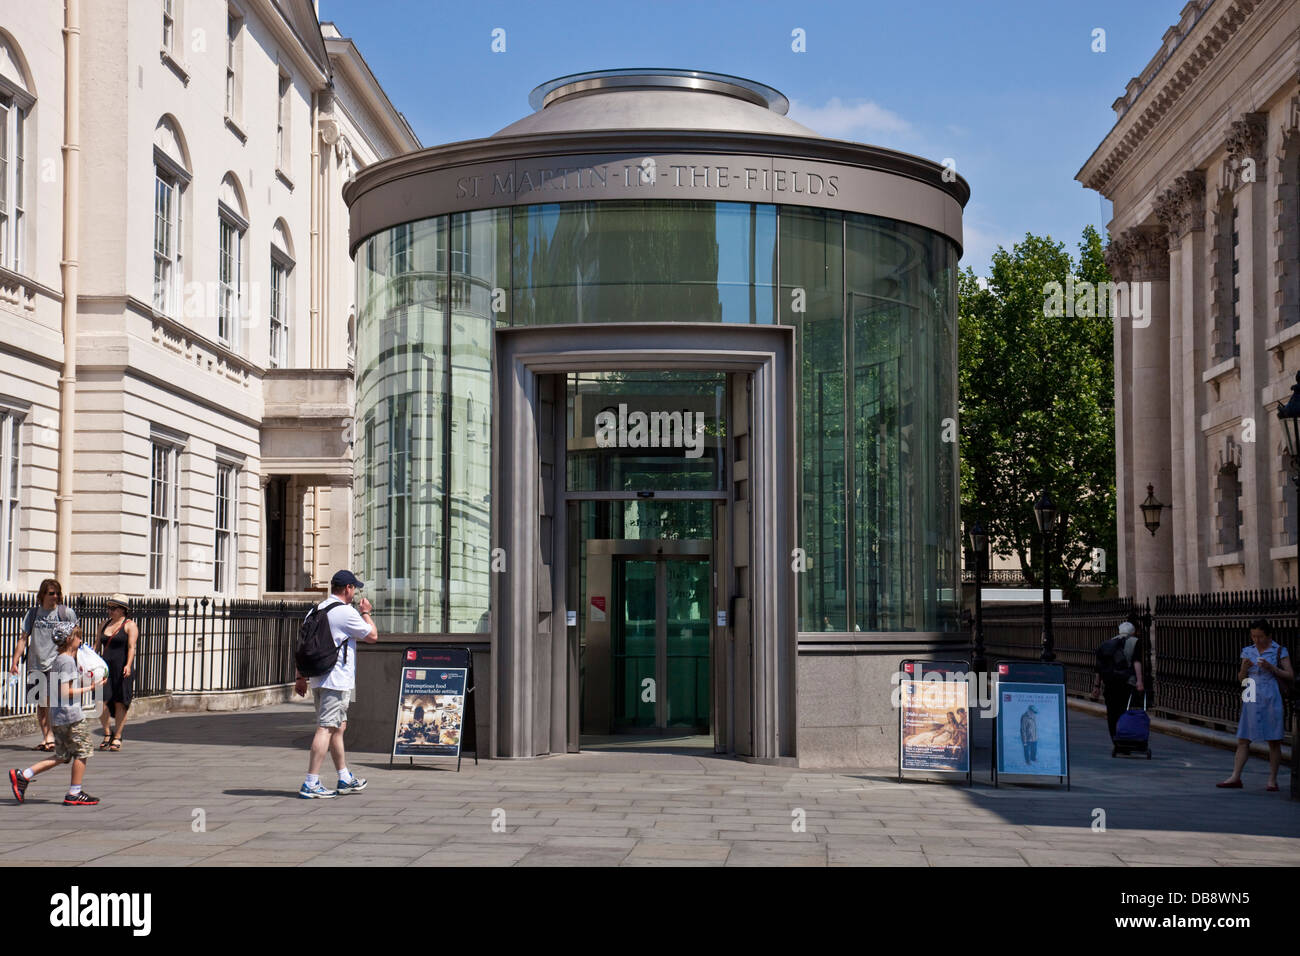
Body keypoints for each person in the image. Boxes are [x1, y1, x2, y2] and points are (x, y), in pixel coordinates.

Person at [294, 570, 378, 798]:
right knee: (326, 728)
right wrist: (366, 613)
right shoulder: (345, 613)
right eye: (355, 588)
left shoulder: (315, 610)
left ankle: (344, 777)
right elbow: (372, 636)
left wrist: (300, 677)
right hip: (337, 680)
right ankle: (311, 782)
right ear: (348, 588)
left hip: (319, 678)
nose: (355, 592)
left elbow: (302, 646)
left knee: (338, 728)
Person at [9, 624, 107, 805]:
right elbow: (65, 692)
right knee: (82, 751)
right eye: (78, 636)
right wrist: (91, 688)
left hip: (59, 715)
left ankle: (24, 775)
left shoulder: (59, 659)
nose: (81, 640)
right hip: (70, 716)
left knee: (62, 755)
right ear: (70, 639)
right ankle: (74, 792)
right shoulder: (67, 661)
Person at [1218, 618, 1293, 791]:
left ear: (1268, 635)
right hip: (1250, 690)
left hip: (1270, 692)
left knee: (1273, 739)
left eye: (1260, 636)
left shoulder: (1279, 650)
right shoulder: (1248, 651)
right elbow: (1241, 679)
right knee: (1244, 737)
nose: (1256, 640)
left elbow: (1289, 675)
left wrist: (1271, 668)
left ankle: (1272, 780)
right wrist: (1244, 669)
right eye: (1253, 636)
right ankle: (1235, 776)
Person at [9, 579, 77, 752]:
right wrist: (15, 661)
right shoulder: (33, 614)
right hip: (36, 663)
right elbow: (23, 638)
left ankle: (53, 737)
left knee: (53, 701)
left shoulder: (65, 613)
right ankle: (47, 737)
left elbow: (75, 639)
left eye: (57, 593)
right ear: (42, 595)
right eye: (51, 593)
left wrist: (72, 660)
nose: (54, 596)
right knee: (41, 703)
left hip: (57, 663)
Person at [94, 594, 138, 751]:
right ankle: (107, 732)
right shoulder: (103, 624)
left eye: (113, 608)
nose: (110, 611)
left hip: (121, 668)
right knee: (100, 700)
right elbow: (97, 644)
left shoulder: (129, 625)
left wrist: (128, 664)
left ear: (123, 610)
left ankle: (117, 736)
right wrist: (91, 661)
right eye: (109, 608)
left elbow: (132, 647)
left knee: (120, 702)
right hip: (105, 669)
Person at [1091, 620, 1146, 740]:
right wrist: (1139, 681)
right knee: (1123, 710)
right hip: (1125, 682)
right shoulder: (1134, 642)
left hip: (1109, 682)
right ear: (1133, 632)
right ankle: (1124, 737)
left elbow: (1099, 667)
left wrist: (1096, 686)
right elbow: (1136, 662)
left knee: (1111, 712)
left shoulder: (1107, 643)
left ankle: (1114, 737)